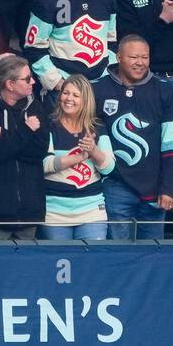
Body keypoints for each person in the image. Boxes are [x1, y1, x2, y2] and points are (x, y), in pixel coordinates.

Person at [93, 34, 173, 240]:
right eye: (133, 57)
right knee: (118, 252)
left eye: (145, 57)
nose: (140, 62)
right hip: (115, 186)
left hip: (155, 189)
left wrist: (170, 188)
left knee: (152, 253)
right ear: (118, 57)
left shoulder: (164, 90)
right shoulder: (97, 89)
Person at [25, 0, 116, 95]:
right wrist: (57, 83)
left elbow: (111, 39)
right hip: (65, 88)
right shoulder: (48, 1)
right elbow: (34, 48)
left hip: (102, 83)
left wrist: (109, 74)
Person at [0, 53, 48, 240]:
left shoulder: (35, 107)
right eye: (27, 79)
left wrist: (4, 136)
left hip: (30, 212)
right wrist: (25, 130)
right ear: (10, 84)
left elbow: (39, 150)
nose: (33, 82)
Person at [39, 73, 114, 240]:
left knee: (91, 257)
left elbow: (109, 168)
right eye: (65, 93)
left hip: (91, 212)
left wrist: (93, 151)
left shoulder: (97, 127)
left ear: (86, 100)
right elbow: (44, 165)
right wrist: (80, 157)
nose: (69, 98)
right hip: (54, 213)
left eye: (75, 95)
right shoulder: (49, 125)